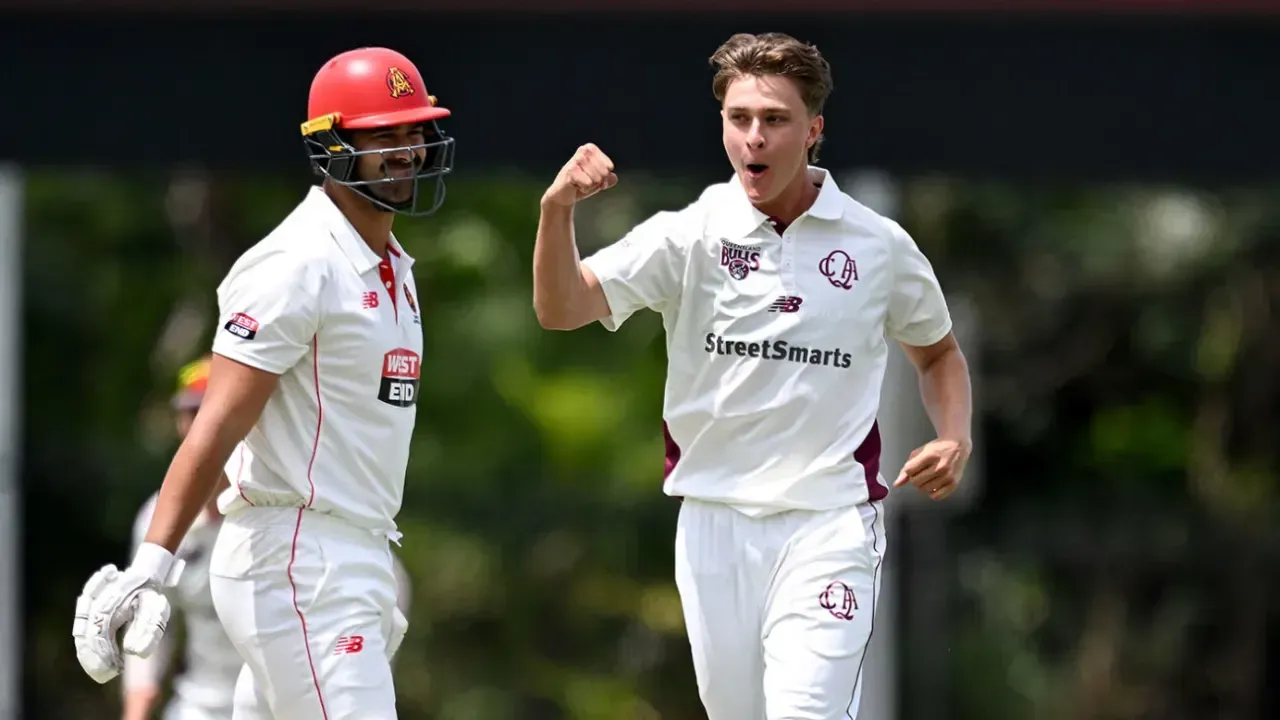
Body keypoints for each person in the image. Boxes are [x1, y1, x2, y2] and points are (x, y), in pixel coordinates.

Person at [532, 32, 973, 719]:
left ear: (813, 130)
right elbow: (560, 309)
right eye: (739, 120)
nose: (754, 139)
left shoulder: (877, 245)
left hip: (829, 524)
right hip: (714, 524)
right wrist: (556, 211)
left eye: (774, 120)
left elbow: (938, 351)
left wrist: (954, 434)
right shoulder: (689, 234)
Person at [73, 45, 452, 720]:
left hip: (353, 555)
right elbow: (217, 423)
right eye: (381, 136)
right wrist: (152, 567)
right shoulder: (295, 262)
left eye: (412, 131)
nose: (406, 150)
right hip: (300, 560)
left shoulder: (392, 263)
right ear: (333, 146)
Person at [119, 355, 415, 720]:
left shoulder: (288, 506)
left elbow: (385, 580)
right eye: (192, 414)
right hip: (201, 706)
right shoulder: (159, 517)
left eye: (211, 413)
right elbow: (149, 623)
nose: (204, 428)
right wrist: (138, 704)